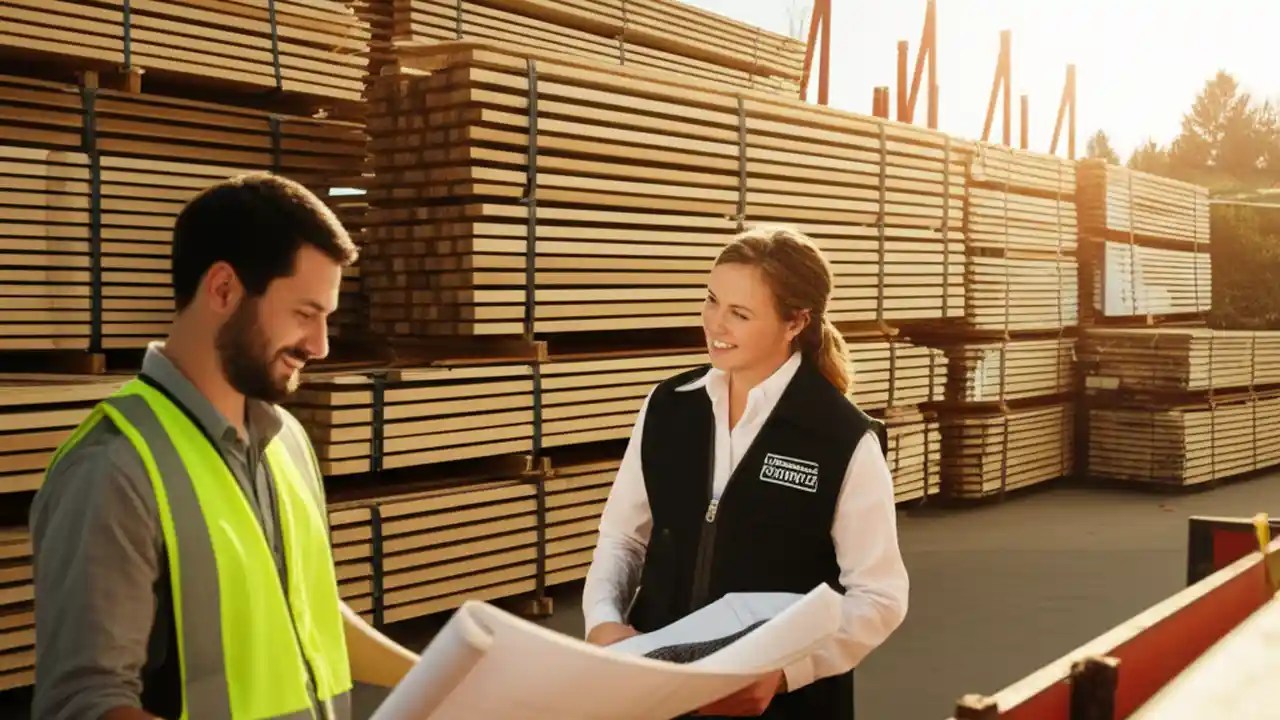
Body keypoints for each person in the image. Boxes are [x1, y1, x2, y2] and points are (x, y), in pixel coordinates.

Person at [29, 173, 418, 720]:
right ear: (223, 290)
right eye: (305, 314)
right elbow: (86, 706)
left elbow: (302, 613)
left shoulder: (287, 441)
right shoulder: (113, 468)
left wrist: (447, 680)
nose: (321, 345)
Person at [582, 226, 910, 719]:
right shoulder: (668, 406)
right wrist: (603, 622)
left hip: (781, 704)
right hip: (660, 689)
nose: (716, 324)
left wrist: (781, 675)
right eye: (712, 301)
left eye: (740, 313)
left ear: (795, 321)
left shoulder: (843, 438)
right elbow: (621, 538)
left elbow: (880, 597)